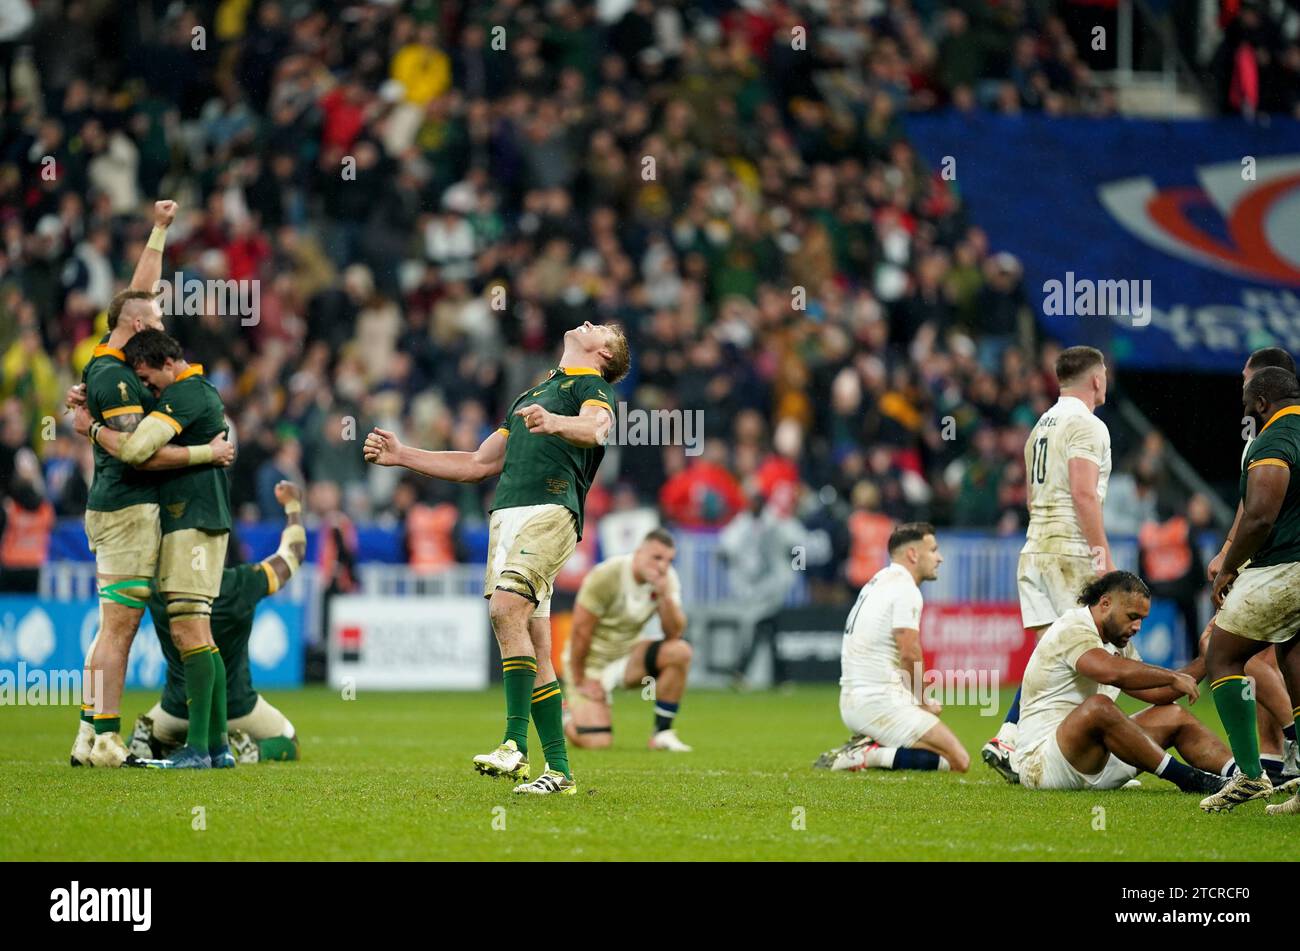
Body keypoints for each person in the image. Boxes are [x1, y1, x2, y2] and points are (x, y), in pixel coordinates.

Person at [364, 320, 629, 795]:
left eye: (601, 330)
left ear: (605, 355)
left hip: (549, 512)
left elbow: (599, 428)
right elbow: (479, 463)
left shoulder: (590, 388)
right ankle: (561, 772)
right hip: (505, 518)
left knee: (505, 607)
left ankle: (512, 744)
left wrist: (557, 423)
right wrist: (404, 455)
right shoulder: (532, 393)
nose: (589, 324)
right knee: (535, 642)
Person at [66, 200, 233, 768]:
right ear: (137, 329)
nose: (163, 327)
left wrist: (159, 230)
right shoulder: (116, 375)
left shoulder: (108, 351)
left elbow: (137, 298)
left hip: (116, 507)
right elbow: (140, 455)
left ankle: (88, 732)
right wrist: (91, 427)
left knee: (110, 625)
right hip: (127, 505)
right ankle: (107, 737)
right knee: (120, 625)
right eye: (155, 322)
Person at [983, 345, 1114, 782]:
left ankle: (1008, 737)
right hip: (1069, 551)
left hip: (1034, 549)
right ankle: (1102, 762)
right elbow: (1082, 493)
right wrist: (1102, 557)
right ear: (1096, 379)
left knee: (1050, 658)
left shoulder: (1039, 425)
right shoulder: (1087, 424)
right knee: (1104, 655)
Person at [128, 480, 306, 764]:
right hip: (238, 709)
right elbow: (293, 555)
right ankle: (252, 751)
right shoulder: (243, 583)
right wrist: (293, 506)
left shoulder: (159, 585)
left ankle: (147, 741)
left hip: (176, 708)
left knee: (138, 740)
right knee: (289, 739)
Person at [1015, 571, 1229, 794]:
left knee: (1173, 715)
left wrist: (1207, 659)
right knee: (1098, 708)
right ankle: (1188, 778)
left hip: (1097, 762)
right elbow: (1110, 671)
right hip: (1044, 766)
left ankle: (1247, 777)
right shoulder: (1073, 628)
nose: (1137, 627)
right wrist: (1172, 676)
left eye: (1141, 619)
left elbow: (1158, 692)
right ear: (1105, 603)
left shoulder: (1117, 641)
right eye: (1131, 616)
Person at [1200, 367, 1300, 814]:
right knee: (1293, 660)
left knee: (1220, 652)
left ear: (1262, 403)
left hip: (1284, 568)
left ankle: (1251, 775)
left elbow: (1259, 516)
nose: (1247, 412)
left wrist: (1229, 567)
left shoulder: (1275, 440)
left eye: (1247, 403)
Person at [815, 523, 971, 773]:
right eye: (933, 550)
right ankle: (867, 755)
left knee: (932, 753)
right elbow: (909, 654)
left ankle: (872, 747)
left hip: (854, 700)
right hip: (877, 702)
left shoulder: (877, 581)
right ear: (913, 554)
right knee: (958, 761)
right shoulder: (906, 589)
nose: (939, 558)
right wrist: (923, 702)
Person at [563, 528, 692, 752]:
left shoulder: (666, 579)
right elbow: (580, 632)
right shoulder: (607, 575)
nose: (662, 565)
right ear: (639, 552)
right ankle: (562, 712)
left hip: (628, 657)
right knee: (596, 743)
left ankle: (662, 733)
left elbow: (674, 634)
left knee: (679, 651)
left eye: (669, 560)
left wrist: (665, 598)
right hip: (590, 662)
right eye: (657, 557)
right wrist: (581, 678)